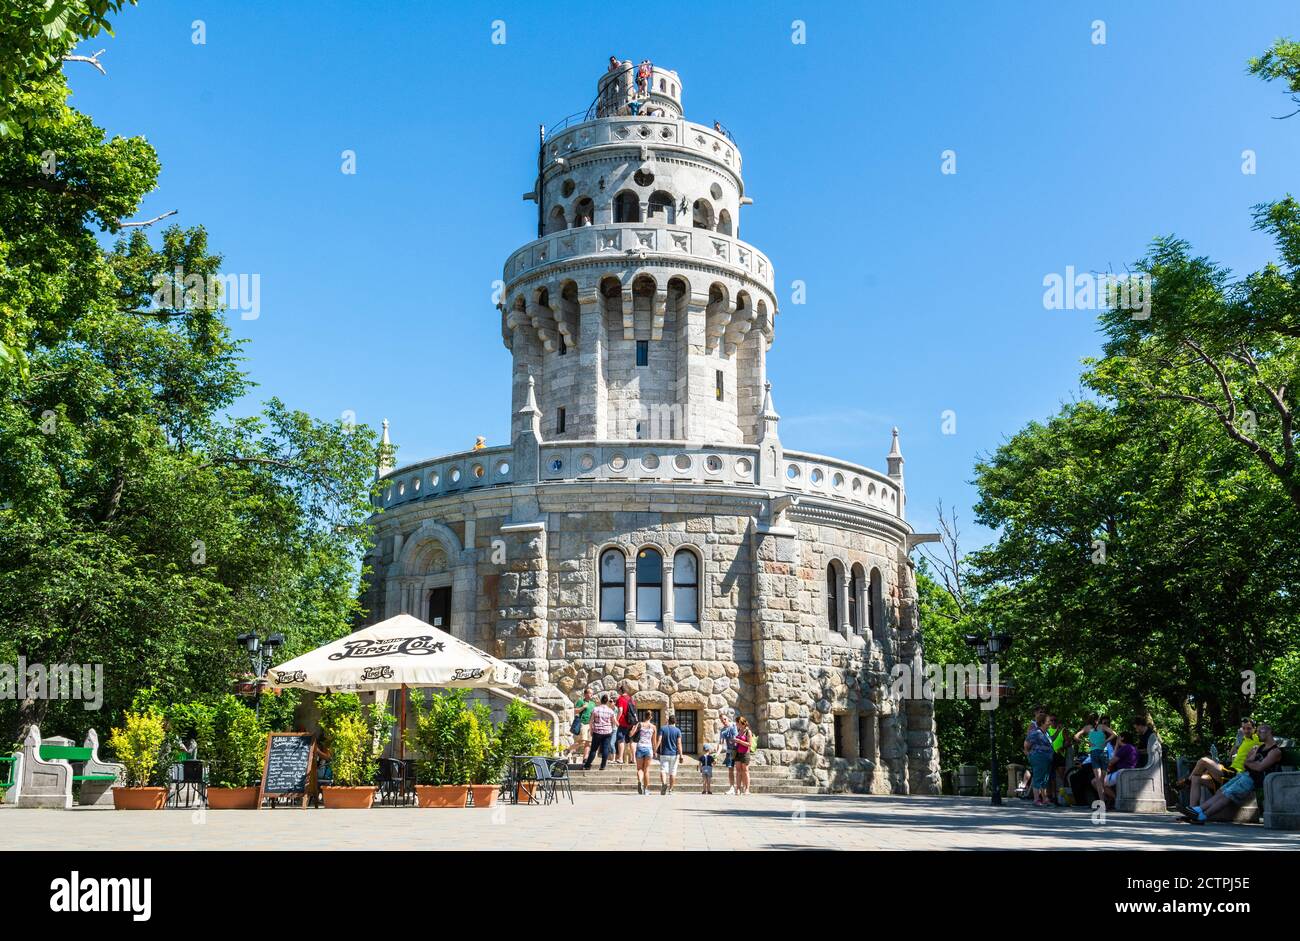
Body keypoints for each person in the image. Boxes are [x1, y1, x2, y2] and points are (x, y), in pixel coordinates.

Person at [1182, 723, 1283, 823]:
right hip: (1246, 775)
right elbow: (1246, 763)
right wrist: (1251, 762)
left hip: (1254, 780)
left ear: (1269, 732)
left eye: (1260, 731)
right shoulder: (1261, 748)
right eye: (1258, 731)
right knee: (1221, 791)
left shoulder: (1275, 751)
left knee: (1228, 794)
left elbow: (1260, 767)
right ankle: (1198, 810)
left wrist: (1251, 763)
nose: (1258, 733)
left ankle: (1201, 815)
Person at [1180, 718, 1258, 808]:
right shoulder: (1242, 739)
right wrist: (1237, 744)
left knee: (1204, 761)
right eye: (1244, 728)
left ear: (1254, 729)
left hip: (1237, 774)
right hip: (1229, 772)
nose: (1246, 731)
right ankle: (1192, 810)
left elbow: (1272, 739)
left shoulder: (1257, 738)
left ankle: (1187, 782)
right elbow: (1230, 757)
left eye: (1248, 728)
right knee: (1195, 778)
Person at [1074, 713, 1114, 802]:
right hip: (1104, 753)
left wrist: (1086, 742)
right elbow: (1114, 734)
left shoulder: (1087, 728)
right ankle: (1107, 800)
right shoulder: (1102, 727)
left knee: (1098, 780)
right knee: (1102, 779)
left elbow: (1076, 737)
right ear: (1098, 719)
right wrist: (1105, 741)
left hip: (1094, 753)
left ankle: (1103, 801)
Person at [1101, 730, 1140, 802]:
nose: (1117, 739)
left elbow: (1111, 762)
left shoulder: (1125, 748)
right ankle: (1111, 800)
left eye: (1118, 737)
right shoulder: (1132, 747)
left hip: (1122, 773)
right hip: (1130, 772)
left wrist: (1116, 745)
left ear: (1122, 738)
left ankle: (1117, 799)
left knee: (1097, 782)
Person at [1024, 719, 1054, 806]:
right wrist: (1028, 754)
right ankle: (1036, 799)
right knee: (1038, 778)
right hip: (1038, 757)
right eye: (1048, 721)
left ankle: (1045, 799)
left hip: (1047, 759)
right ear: (1042, 723)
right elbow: (1026, 743)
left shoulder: (1047, 733)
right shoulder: (1036, 732)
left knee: (1045, 779)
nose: (1050, 723)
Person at [583, 694, 617, 771]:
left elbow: (591, 721)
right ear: (607, 702)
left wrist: (591, 730)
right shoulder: (610, 711)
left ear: (600, 700)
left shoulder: (595, 709)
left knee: (594, 749)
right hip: (607, 732)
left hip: (597, 731)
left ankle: (588, 765)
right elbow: (614, 722)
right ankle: (603, 766)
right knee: (605, 749)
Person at [657, 713, 683, 795]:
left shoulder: (662, 728)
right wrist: (681, 755)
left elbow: (659, 740)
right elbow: (679, 743)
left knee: (663, 770)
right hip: (674, 754)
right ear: (675, 721)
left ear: (668, 720)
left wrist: (655, 749)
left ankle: (664, 783)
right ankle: (671, 790)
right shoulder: (678, 730)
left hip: (664, 753)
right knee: (673, 772)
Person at [633, 710, 657, 795]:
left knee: (639, 769)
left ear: (644, 716)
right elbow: (654, 741)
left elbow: (631, 734)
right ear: (651, 717)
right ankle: (646, 790)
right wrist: (655, 751)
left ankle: (640, 781)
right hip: (648, 748)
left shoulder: (640, 724)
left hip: (640, 747)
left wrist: (633, 728)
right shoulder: (653, 727)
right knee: (646, 769)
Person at [569, 687, 595, 763]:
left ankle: (585, 759)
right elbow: (575, 711)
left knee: (588, 743)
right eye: (590, 693)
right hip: (583, 723)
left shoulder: (592, 704)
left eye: (592, 693)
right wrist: (583, 707)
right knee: (583, 741)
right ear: (585, 694)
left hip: (590, 725)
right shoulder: (581, 701)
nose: (591, 695)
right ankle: (569, 749)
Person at [733, 716, 755, 794]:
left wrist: (739, 741)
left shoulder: (748, 731)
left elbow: (749, 744)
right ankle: (738, 788)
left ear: (741, 723)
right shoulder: (739, 730)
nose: (736, 724)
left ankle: (747, 789)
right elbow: (738, 741)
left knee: (745, 771)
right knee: (738, 771)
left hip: (745, 753)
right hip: (738, 753)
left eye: (737, 723)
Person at [718, 711, 738, 794]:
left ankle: (740, 787)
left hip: (739, 750)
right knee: (730, 770)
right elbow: (721, 743)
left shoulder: (735, 726)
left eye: (725, 719)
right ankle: (732, 787)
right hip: (730, 751)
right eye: (722, 720)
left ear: (727, 718)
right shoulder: (723, 731)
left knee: (740, 769)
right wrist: (717, 753)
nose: (724, 721)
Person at [615, 684, 635, 764]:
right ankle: (633, 759)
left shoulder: (621, 699)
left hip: (623, 723)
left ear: (620, 691)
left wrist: (616, 720)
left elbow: (620, 710)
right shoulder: (631, 699)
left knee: (620, 740)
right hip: (631, 723)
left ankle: (620, 758)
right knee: (630, 741)